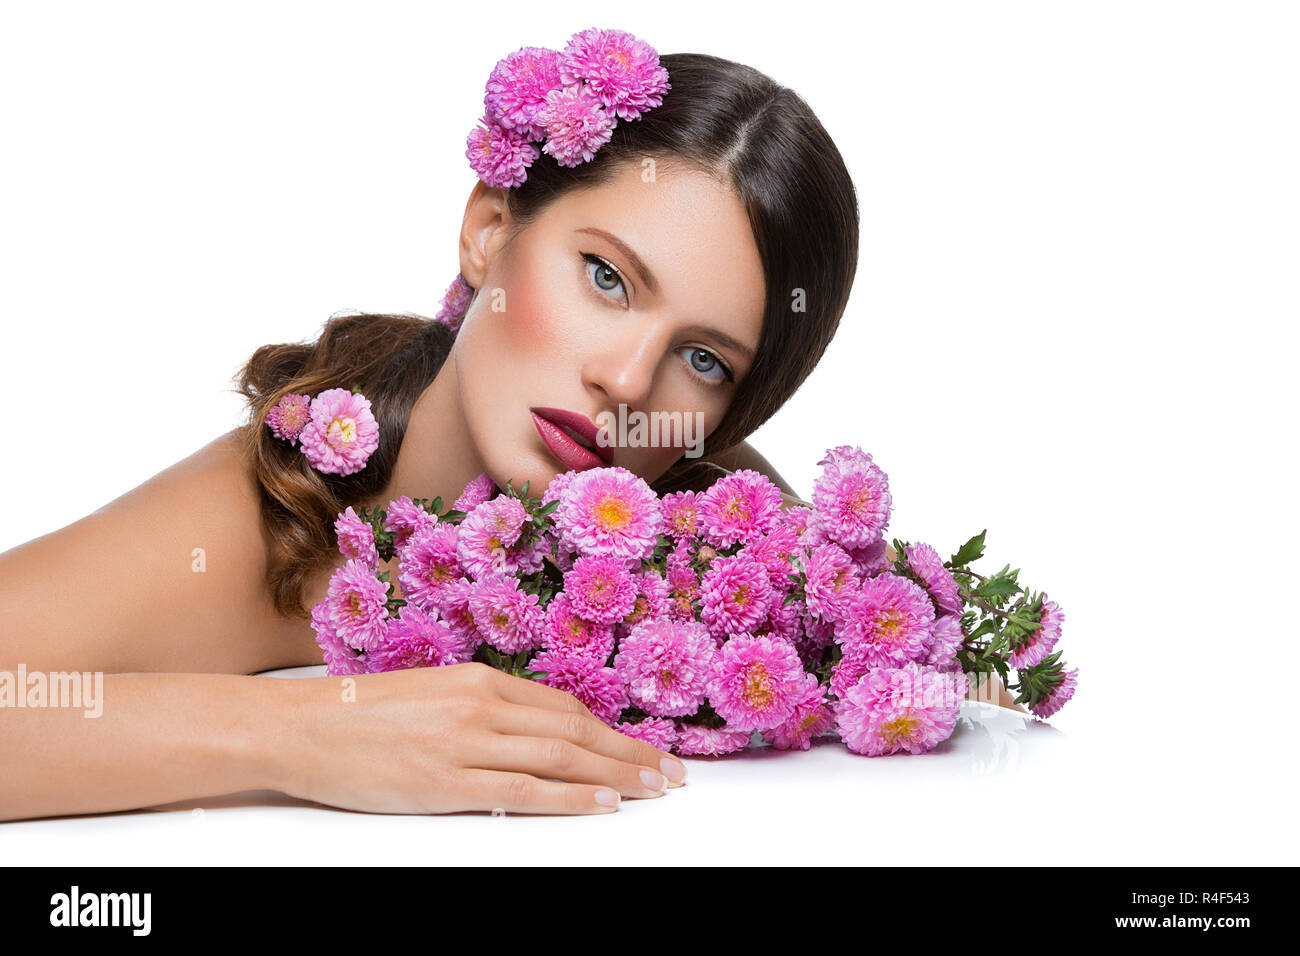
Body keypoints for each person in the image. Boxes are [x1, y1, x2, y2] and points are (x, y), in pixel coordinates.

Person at [0, 45, 1018, 824]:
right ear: (490, 230)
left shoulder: (711, 536)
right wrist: (301, 737)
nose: (624, 380)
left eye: (702, 359)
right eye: (606, 277)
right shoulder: (276, 516)